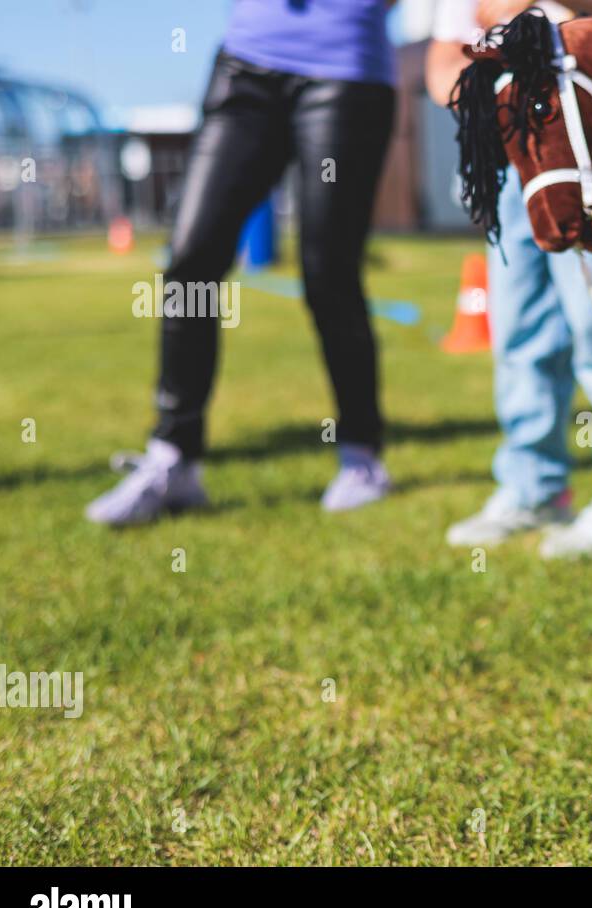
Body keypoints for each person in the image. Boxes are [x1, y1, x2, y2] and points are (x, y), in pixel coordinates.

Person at [87, 0, 397, 525]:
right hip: (246, 67)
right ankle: (175, 456)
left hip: (344, 69)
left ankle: (361, 456)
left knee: (329, 271)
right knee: (191, 258)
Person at [428, 0, 592, 559]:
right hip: (507, 158)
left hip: (587, 142)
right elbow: (443, 57)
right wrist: (480, 103)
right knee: (520, 330)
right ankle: (534, 485)